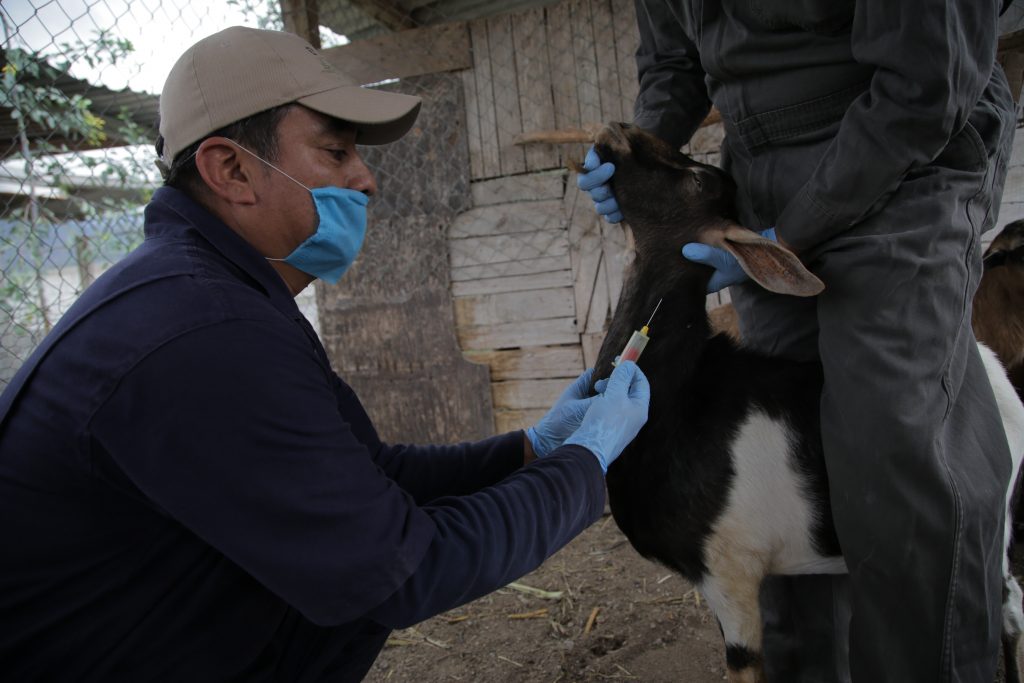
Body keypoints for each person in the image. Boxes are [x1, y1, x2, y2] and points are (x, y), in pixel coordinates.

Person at [0, 26, 650, 681]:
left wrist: (533, 446)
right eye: (336, 151)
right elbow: (400, 570)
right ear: (231, 170)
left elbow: (365, 476)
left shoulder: (217, 294)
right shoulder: (201, 331)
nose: (365, 179)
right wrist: (584, 463)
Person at [578, 1, 1017, 681]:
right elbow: (672, 60)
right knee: (796, 466)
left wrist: (788, 237)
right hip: (763, 178)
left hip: (906, 157)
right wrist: (649, 150)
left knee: (889, 452)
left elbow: (924, 83)